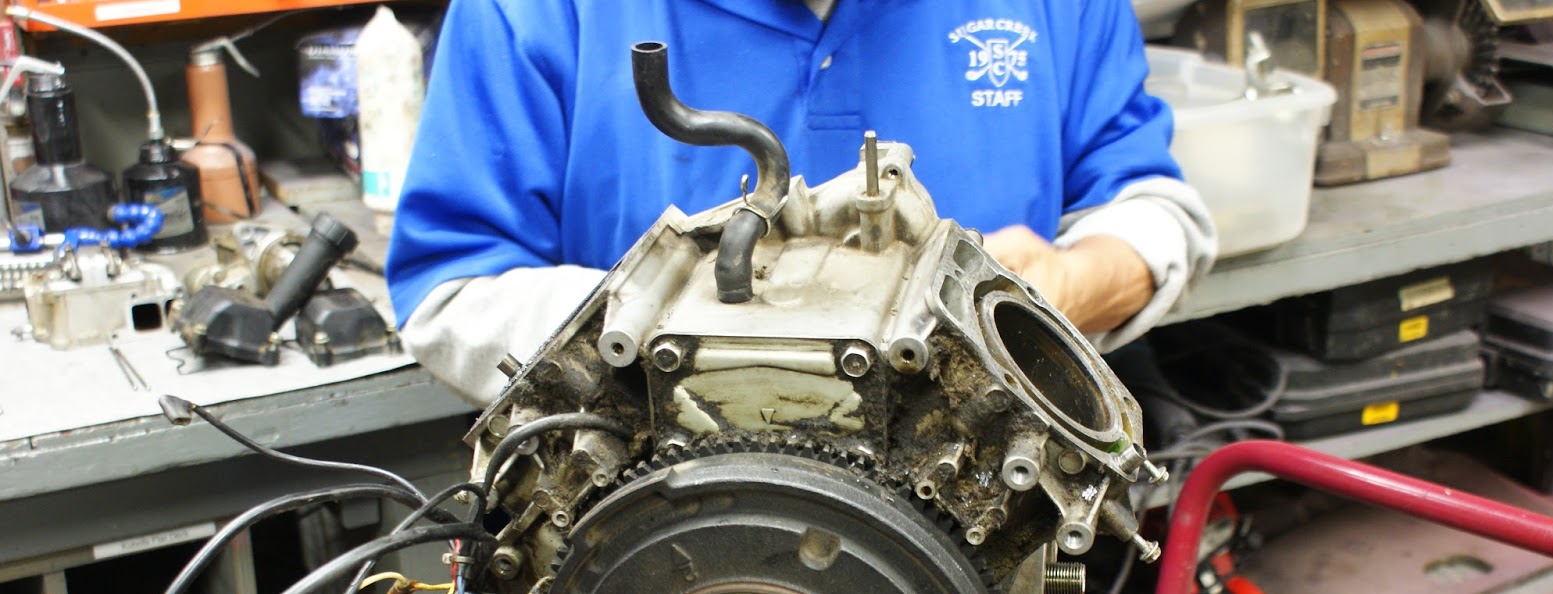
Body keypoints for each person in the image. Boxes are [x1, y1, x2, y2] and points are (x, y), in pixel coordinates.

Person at [388, 1, 1217, 408]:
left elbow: (1153, 209)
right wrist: (692, 334)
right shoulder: (536, 10)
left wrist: (1053, 294)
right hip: (646, 555)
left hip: (980, 557)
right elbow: (452, 288)